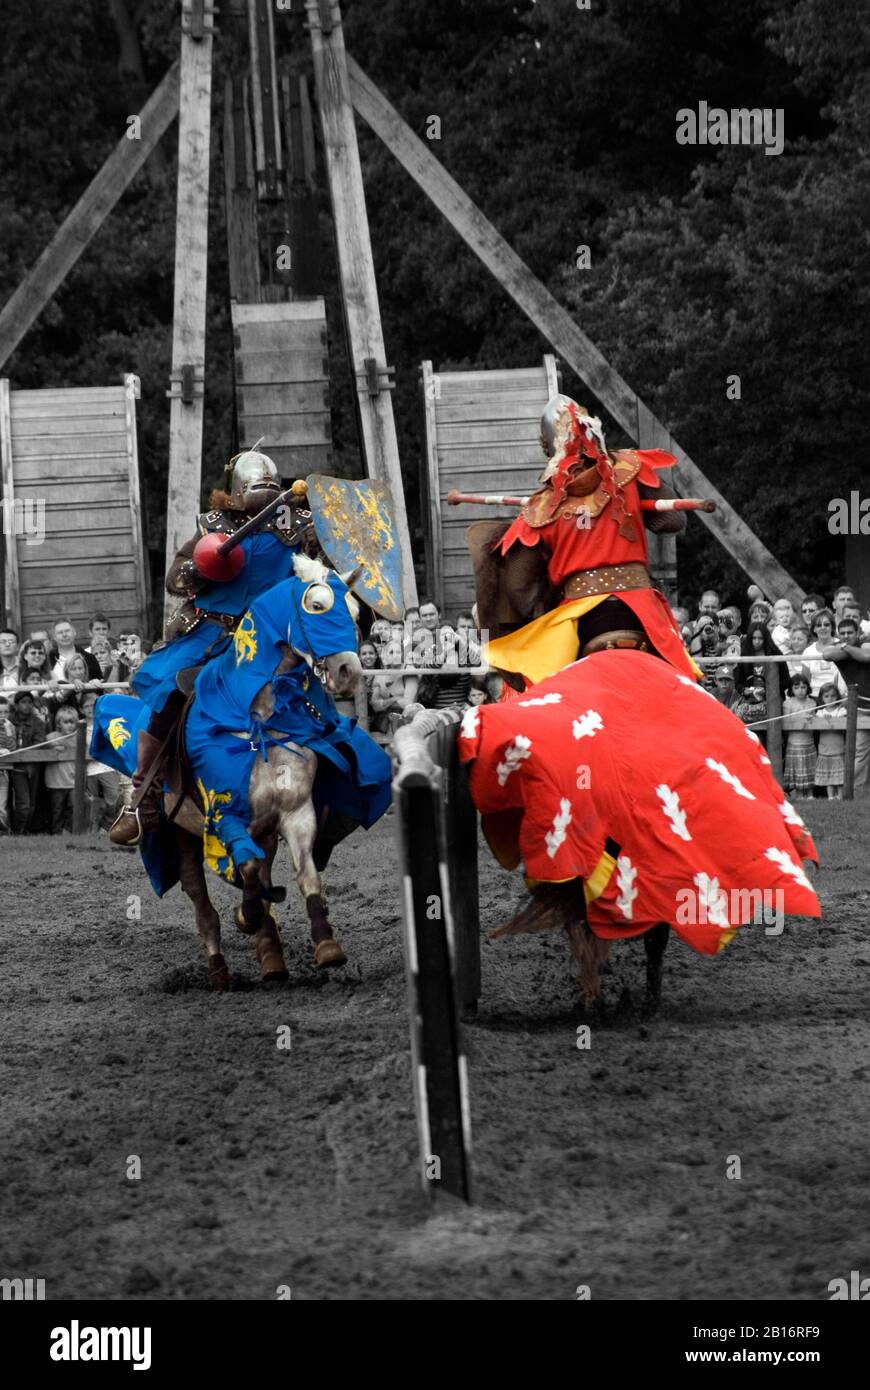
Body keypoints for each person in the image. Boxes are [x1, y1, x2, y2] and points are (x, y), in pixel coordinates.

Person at [109, 448, 314, 845]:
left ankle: (341, 787)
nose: (264, 491)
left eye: (270, 486)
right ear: (236, 490)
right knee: (169, 693)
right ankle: (142, 798)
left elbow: (324, 571)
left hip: (270, 637)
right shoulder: (214, 525)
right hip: (211, 633)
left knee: (318, 693)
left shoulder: (300, 525)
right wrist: (203, 565)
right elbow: (175, 579)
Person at [474, 395, 695, 687]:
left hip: (581, 617)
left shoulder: (543, 506)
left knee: (549, 693)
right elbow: (674, 521)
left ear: (547, 444)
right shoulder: (629, 470)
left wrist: (545, 603)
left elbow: (518, 587)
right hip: (642, 612)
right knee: (684, 686)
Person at [820, 615, 870, 793]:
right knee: (860, 752)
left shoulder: (864, 644)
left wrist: (845, 647)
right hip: (861, 708)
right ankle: (855, 792)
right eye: (843, 634)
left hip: (863, 705)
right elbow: (827, 654)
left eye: (850, 633)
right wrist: (847, 647)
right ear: (838, 634)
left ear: (858, 633)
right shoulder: (841, 648)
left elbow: (866, 656)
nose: (846, 636)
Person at [8, 689, 48, 833]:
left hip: (32, 767)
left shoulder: (38, 723)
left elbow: (39, 744)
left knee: (31, 803)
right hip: (13, 767)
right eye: (23, 702)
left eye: (30, 702)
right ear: (17, 704)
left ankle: (24, 830)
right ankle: (18, 830)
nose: (27, 705)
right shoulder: (9, 720)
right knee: (22, 803)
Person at [44, 703, 80, 833]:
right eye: (66, 722)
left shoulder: (79, 738)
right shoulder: (51, 737)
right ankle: (56, 832)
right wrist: (53, 747)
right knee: (57, 809)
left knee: (73, 807)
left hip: (73, 780)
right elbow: (44, 745)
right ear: (58, 723)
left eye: (72, 722)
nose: (69, 725)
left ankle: (68, 830)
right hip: (56, 781)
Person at [782, 668, 817, 799]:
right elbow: (786, 721)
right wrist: (801, 719)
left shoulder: (812, 702)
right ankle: (800, 794)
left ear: (808, 688)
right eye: (796, 687)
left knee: (809, 766)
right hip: (795, 742)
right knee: (798, 768)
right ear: (791, 689)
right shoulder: (788, 703)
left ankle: (810, 793)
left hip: (809, 740)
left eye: (803, 687)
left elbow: (815, 720)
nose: (800, 690)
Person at [801, 609, 848, 700]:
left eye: (826, 624)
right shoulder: (808, 651)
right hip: (814, 698)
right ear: (814, 629)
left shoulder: (842, 646)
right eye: (819, 625)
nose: (823, 628)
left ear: (832, 627)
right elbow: (805, 681)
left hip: (838, 697)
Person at [814, 683, 846, 799]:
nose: (830, 699)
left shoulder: (841, 711)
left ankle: (840, 796)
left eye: (833, 696)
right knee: (828, 774)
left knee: (839, 774)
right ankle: (830, 796)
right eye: (826, 696)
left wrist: (832, 720)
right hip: (825, 748)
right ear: (822, 698)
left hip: (837, 748)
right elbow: (816, 724)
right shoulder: (820, 712)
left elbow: (842, 724)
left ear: (837, 696)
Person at [0, 694, 15, 832]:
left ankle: (3, 833)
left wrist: (9, 732)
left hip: (3, 772)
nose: (3, 715)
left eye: (6, 712)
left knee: (2, 807)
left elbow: (12, 748)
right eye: (0, 712)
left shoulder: (10, 727)